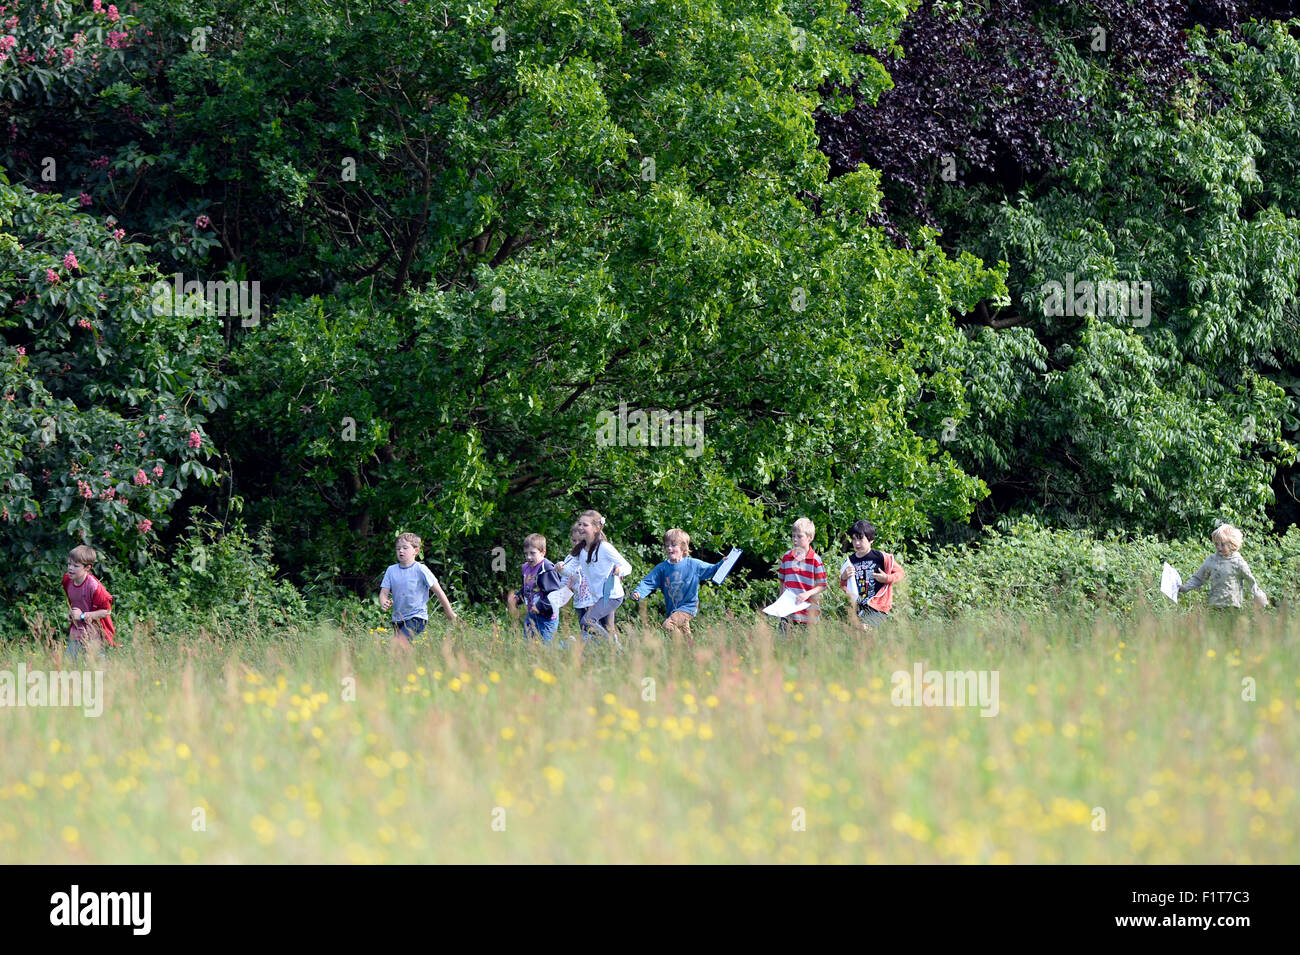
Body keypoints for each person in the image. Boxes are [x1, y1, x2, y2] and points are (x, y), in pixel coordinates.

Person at [631, 528, 727, 643]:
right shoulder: (662, 568)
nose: (669, 548)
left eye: (673, 545)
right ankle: (690, 652)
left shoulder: (693, 565)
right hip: (673, 609)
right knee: (687, 637)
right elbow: (648, 582)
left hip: (689, 606)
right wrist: (638, 592)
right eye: (667, 545)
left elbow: (712, 569)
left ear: (683, 547)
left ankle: (680, 647)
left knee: (668, 625)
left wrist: (722, 563)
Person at [559, 510, 631, 641]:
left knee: (587, 622)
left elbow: (628, 567)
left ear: (597, 528)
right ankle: (616, 653)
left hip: (611, 596)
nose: (580, 527)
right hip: (597, 597)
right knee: (608, 630)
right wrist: (559, 568)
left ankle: (609, 644)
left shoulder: (604, 547)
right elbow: (569, 571)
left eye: (585, 525)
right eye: (579, 524)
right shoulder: (580, 550)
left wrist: (619, 570)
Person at [378, 532, 457, 646]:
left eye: (405, 548)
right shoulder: (391, 570)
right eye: (398, 548)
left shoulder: (421, 569)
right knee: (403, 649)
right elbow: (383, 593)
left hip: (417, 617)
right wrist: (383, 602)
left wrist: (449, 612)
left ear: (416, 551)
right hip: (398, 619)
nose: (401, 551)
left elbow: (439, 592)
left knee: (397, 644)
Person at [1178, 524, 1268, 609]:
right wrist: (1185, 587)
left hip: (1232, 606)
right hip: (1214, 605)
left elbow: (1251, 581)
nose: (1219, 547)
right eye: (1216, 544)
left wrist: (1260, 599)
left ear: (1232, 544)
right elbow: (1199, 578)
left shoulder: (1238, 562)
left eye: (1223, 544)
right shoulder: (1211, 560)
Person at [839, 519, 905, 629]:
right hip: (859, 606)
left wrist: (887, 578)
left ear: (871, 540)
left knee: (864, 629)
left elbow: (901, 573)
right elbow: (845, 586)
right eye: (854, 539)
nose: (857, 543)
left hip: (878, 605)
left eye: (860, 539)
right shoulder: (850, 561)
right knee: (857, 635)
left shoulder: (881, 557)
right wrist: (843, 577)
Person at [62, 545, 117, 659]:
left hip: (94, 632)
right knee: (69, 663)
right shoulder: (67, 580)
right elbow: (75, 601)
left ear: (87, 568)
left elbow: (107, 611)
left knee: (95, 667)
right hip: (76, 630)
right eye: (69, 564)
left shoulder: (94, 586)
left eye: (76, 566)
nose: (70, 568)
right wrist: (71, 613)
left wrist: (82, 615)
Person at [776, 517, 827, 633]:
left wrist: (806, 594)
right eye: (793, 536)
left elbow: (822, 585)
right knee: (784, 645)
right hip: (788, 611)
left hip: (808, 613)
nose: (795, 539)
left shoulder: (815, 560)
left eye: (799, 536)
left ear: (810, 537)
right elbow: (782, 582)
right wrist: (780, 604)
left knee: (806, 648)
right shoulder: (787, 557)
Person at [509, 533, 561, 644]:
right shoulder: (526, 567)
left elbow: (555, 595)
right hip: (532, 614)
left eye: (532, 553)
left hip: (547, 617)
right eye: (526, 554)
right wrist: (518, 597)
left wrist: (540, 606)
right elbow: (528, 588)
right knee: (529, 644)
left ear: (543, 552)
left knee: (546, 647)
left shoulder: (546, 569)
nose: (528, 557)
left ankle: (569, 646)